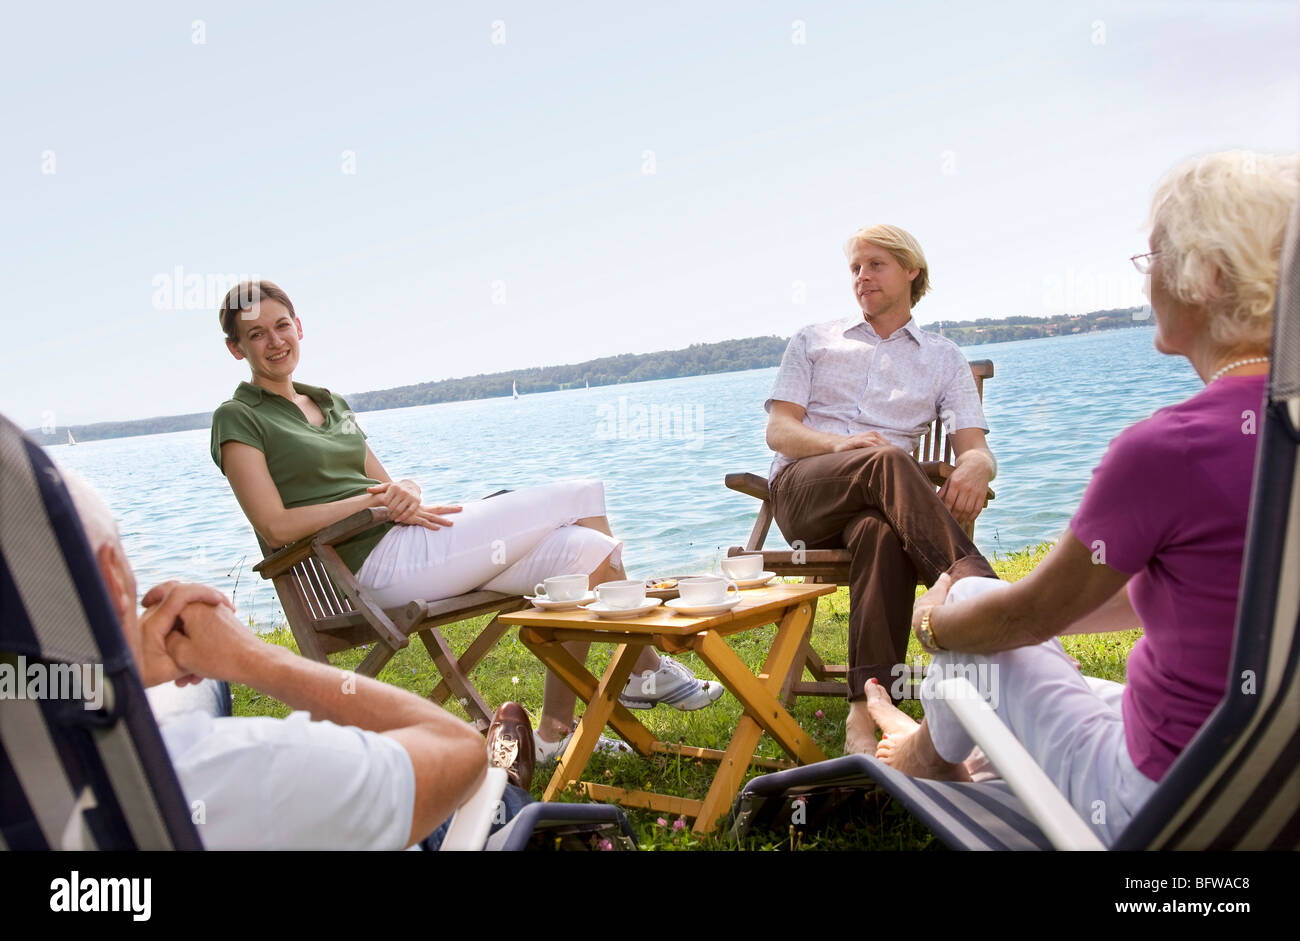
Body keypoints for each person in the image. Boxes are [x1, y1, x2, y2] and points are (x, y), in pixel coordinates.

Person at [861, 149, 1298, 846]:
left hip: (1158, 806)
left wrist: (936, 627)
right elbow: (1226, 592)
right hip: (1270, 786)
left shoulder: (1170, 450)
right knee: (1027, 661)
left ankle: (923, 754)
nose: (1148, 279)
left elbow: (1027, 617)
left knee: (974, 602)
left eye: (1154, 259)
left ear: (1208, 277)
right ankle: (937, 725)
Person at [210, 282, 722, 761]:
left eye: (281, 326)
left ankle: (553, 736)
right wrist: (372, 506)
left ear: (299, 326)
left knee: (587, 551)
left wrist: (405, 491)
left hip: (413, 541)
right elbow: (275, 526)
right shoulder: (238, 417)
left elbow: (387, 483)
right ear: (237, 349)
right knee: (582, 493)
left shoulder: (328, 401)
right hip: (373, 573)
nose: (274, 341)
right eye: (256, 334)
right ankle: (644, 667)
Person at [63, 469, 509, 849]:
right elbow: (457, 751)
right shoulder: (232, 768)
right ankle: (503, 810)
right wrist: (253, 657)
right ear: (113, 581)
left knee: (203, 686)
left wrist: (112, 671)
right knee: (481, 803)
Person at [764, 224, 999, 755]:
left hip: (884, 505)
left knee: (880, 535)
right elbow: (779, 430)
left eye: (875, 265)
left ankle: (866, 715)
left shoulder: (942, 357)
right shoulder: (813, 340)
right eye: (854, 268)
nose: (861, 277)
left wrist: (980, 465)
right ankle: (984, 600)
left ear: (911, 271)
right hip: (806, 490)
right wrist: (836, 446)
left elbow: (974, 446)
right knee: (885, 457)